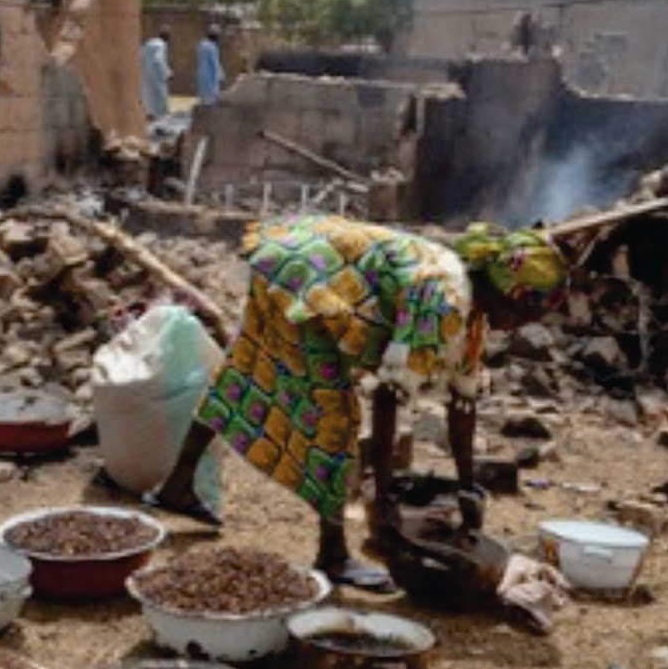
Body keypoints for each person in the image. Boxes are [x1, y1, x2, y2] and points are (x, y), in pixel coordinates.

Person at [149, 216, 568, 589]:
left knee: (245, 371)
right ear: (507, 291)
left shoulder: (472, 313)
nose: (521, 326)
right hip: (307, 277)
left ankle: (177, 485)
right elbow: (387, 399)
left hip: (302, 259)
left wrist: (467, 488)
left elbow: (464, 405)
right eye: (523, 313)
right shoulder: (446, 299)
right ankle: (333, 555)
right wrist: (383, 503)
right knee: (337, 419)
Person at [141, 28, 172, 119]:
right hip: (157, 76)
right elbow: (159, 61)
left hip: (146, 74)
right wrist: (167, 73)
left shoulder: (149, 43)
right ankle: (160, 116)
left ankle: (149, 113)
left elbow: (141, 55)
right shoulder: (161, 45)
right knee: (160, 96)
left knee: (148, 95)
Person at [196, 25, 224, 106]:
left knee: (203, 99)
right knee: (211, 100)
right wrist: (221, 77)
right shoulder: (212, 47)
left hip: (201, 75)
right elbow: (215, 63)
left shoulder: (201, 44)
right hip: (210, 77)